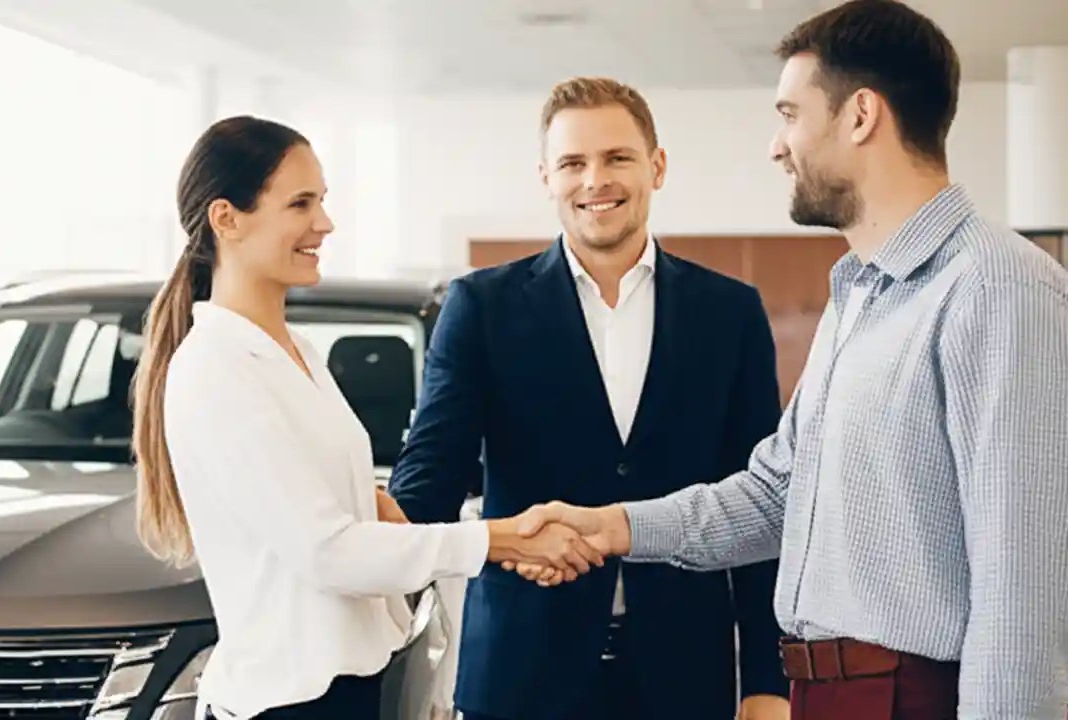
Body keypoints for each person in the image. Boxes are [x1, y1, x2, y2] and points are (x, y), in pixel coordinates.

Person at [511, 1, 1068, 719]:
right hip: (827, 690)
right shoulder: (860, 292)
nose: (777, 146)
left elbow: (1023, 589)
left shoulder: (997, 290)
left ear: (861, 115)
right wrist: (616, 526)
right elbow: (777, 491)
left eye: (790, 115)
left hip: (913, 695)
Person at [129, 115, 607, 720]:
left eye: (322, 201)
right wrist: (501, 538)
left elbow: (364, 512)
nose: (323, 223)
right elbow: (327, 551)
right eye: (300, 203)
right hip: (289, 703)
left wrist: (491, 545)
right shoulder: (216, 368)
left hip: (357, 684)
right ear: (227, 219)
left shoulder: (296, 350)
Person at [388, 77, 790, 720]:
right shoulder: (480, 308)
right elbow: (430, 483)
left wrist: (769, 681)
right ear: (546, 175)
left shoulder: (729, 313)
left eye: (617, 158)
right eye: (573, 162)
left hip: (686, 675)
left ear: (656, 167)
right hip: (522, 675)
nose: (594, 180)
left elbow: (763, 502)